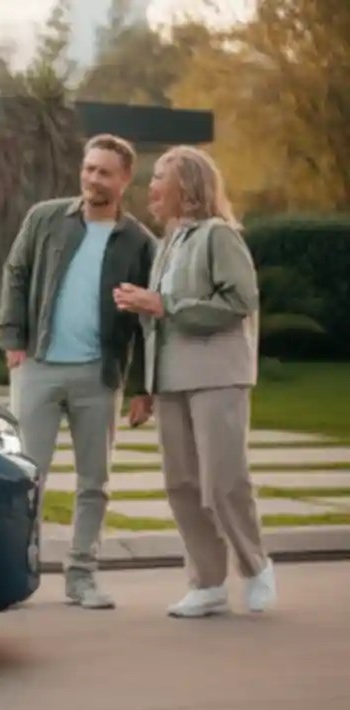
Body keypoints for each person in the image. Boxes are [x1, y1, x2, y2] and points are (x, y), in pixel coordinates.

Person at [113, 145, 275, 618]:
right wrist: (146, 383)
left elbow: (239, 301)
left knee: (223, 481)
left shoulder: (218, 235)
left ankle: (256, 566)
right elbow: (160, 317)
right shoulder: (168, 243)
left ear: (186, 184)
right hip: (171, 378)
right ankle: (208, 583)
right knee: (181, 483)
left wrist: (164, 305)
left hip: (217, 375)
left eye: (159, 177)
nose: (150, 187)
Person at [0, 134, 157, 610]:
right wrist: (14, 339)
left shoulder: (139, 242)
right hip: (38, 368)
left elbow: (149, 320)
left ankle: (82, 575)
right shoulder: (45, 218)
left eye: (104, 172)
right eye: (89, 169)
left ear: (124, 180)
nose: (93, 179)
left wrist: (143, 387)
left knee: (94, 483)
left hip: (98, 377)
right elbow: (15, 272)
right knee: (26, 479)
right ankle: (16, 573)